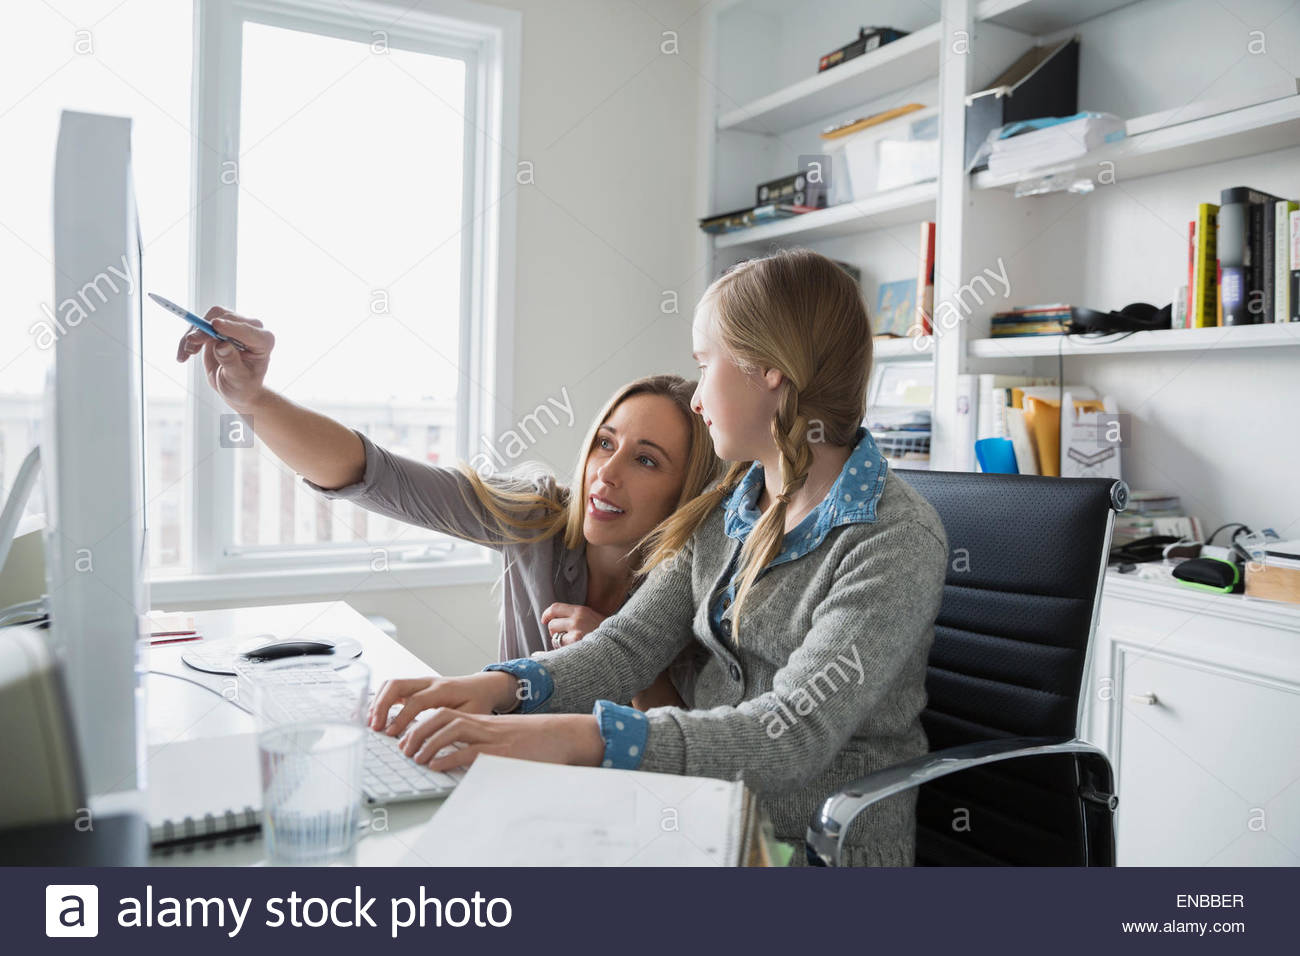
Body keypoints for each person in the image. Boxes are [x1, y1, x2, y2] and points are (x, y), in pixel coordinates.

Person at [367, 248, 951, 867]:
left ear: (767, 369)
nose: (697, 399)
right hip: (695, 818)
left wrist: (570, 736)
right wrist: (500, 686)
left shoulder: (893, 538)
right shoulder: (733, 503)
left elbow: (791, 732)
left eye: (706, 364)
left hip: (808, 850)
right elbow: (626, 647)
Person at [176, 314, 721, 708]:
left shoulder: (705, 577)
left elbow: (694, 740)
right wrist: (254, 399)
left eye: (647, 460)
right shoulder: (539, 514)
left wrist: (614, 652)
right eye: (605, 443)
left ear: (686, 488)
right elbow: (376, 476)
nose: (606, 472)